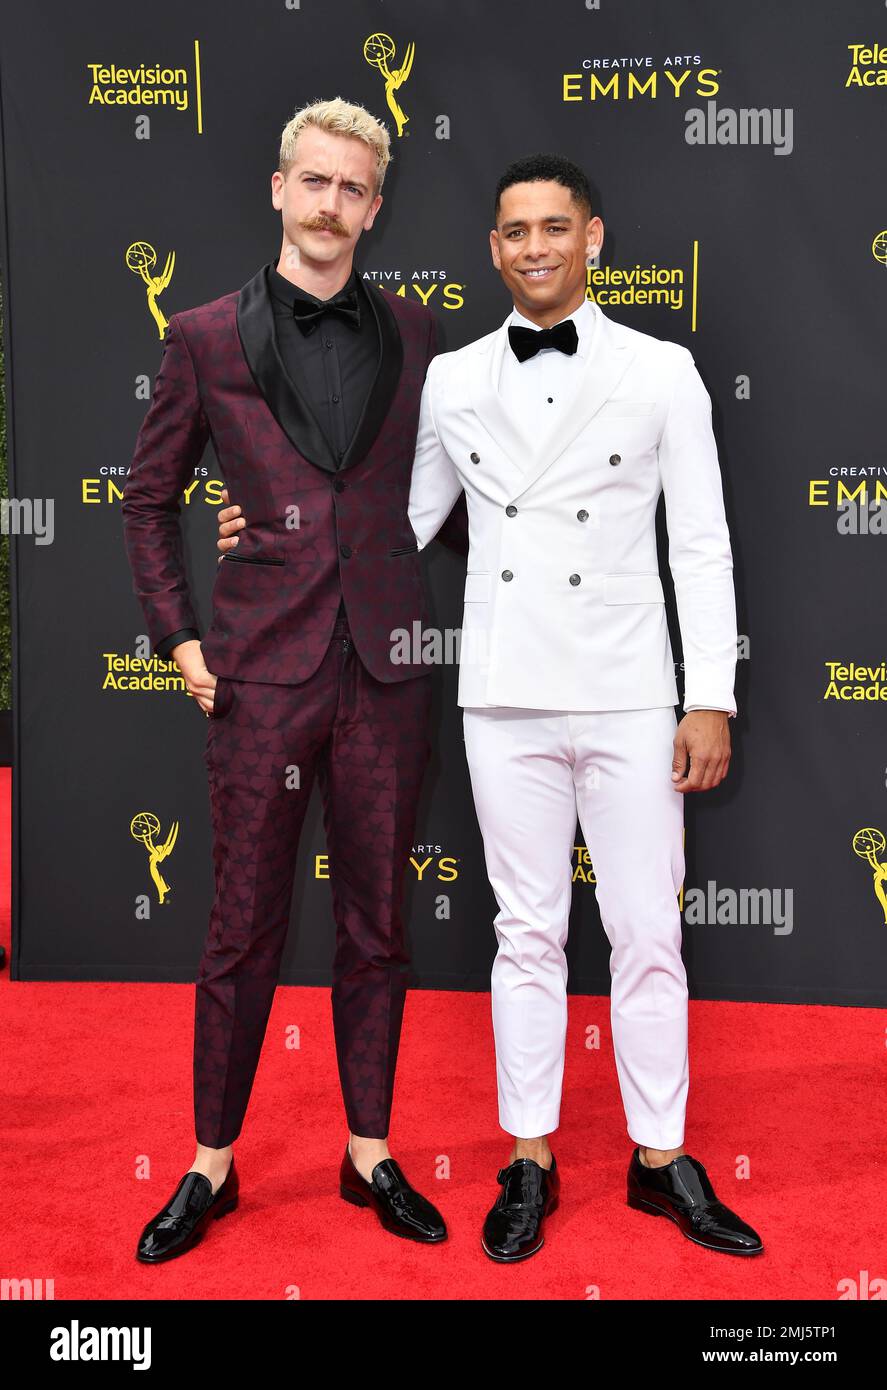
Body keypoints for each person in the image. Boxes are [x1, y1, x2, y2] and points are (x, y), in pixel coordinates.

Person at [219, 152, 764, 1264]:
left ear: (593, 237)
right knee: (524, 934)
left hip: (625, 691)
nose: (534, 248)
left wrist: (707, 695)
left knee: (647, 933)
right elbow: (397, 517)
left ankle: (660, 1160)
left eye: (554, 228)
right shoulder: (456, 377)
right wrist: (269, 528)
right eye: (514, 231)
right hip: (504, 695)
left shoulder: (664, 372)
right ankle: (529, 1156)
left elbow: (699, 545)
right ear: (491, 248)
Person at [122, 96, 468, 1264]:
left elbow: (459, 480)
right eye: (311, 182)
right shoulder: (205, 335)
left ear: (377, 205)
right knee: (240, 926)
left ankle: (368, 1149)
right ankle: (210, 1164)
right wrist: (179, 644)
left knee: (377, 925)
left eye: (352, 188)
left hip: (384, 670)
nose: (329, 204)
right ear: (278, 189)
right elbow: (148, 494)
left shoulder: (421, 333)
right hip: (258, 674)